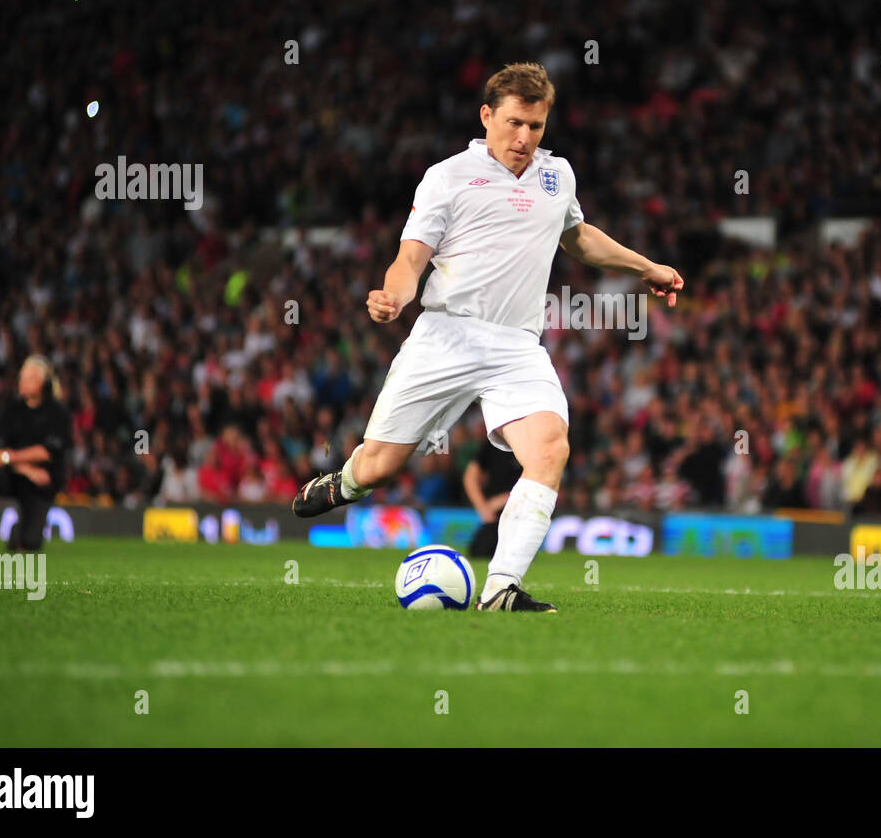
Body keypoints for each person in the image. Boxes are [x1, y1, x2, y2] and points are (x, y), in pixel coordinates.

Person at [291, 62, 684, 612]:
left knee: (550, 448)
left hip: (517, 345)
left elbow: (578, 236)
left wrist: (647, 267)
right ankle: (346, 484)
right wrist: (394, 296)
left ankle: (501, 587)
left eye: (537, 126)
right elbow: (410, 258)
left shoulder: (557, 175)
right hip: (446, 334)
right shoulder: (447, 176)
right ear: (487, 116)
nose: (525, 138)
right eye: (516, 123)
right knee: (381, 466)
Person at [0, 355, 71, 552]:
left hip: (41, 483)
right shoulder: (10, 410)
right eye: (22, 377)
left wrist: (11, 457)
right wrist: (27, 469)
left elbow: (46, 452)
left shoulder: (58, 412)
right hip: (18, 474)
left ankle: (20, 534)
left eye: (28, 378)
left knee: (30, 544)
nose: (22, 382)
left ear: (43, 383)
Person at [462, 433, 522, 559]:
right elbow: (470, 477)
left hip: (521, 516)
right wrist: (483, 507)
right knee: (479, 551)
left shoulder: (531, 444)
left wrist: (508, 498)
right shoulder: (495, 442)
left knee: (517, 554)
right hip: (495, 516)